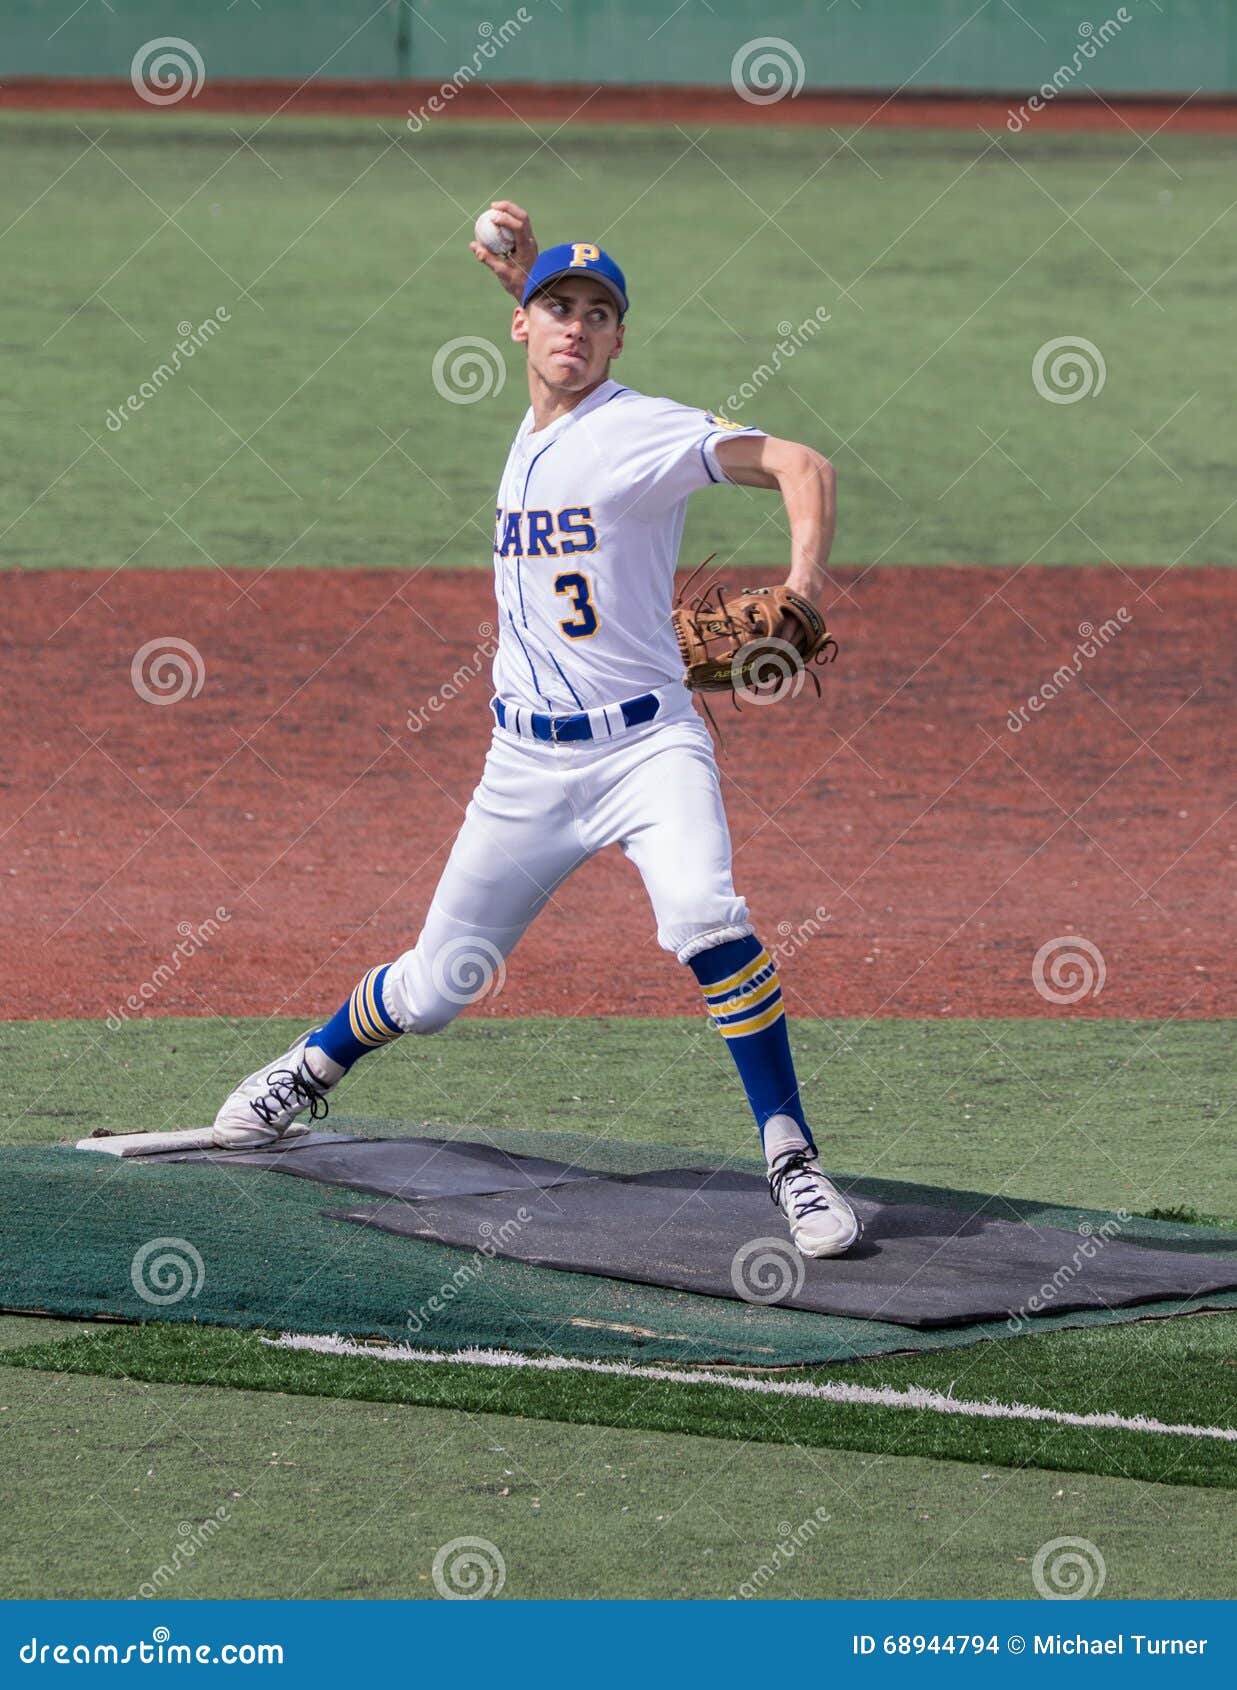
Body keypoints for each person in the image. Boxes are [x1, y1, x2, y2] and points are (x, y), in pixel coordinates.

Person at [211, 203, 859, 1259]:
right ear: (523, 325)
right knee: (431, 987)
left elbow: (802, 464)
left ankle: (791, 1157)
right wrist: (519, 274)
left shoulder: (644, 428)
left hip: (648, 749)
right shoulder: (539, 418)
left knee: (704, 916)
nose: (576, 326)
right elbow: (549, 359)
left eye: (599, 314)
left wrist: (802, 581)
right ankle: (306, 1069)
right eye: (558, 309)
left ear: (619, 339)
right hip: (524, 764)